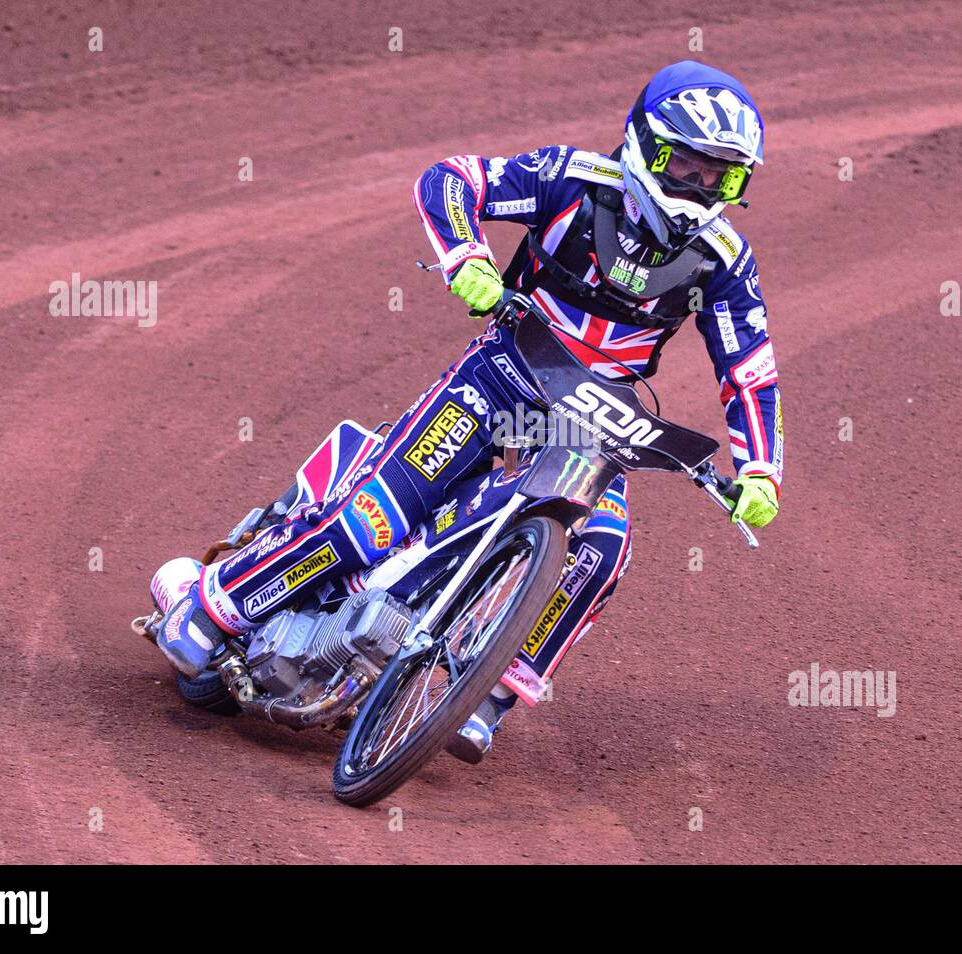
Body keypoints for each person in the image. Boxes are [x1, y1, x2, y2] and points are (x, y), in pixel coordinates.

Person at [155, 60, 784, 763]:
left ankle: (486, 697)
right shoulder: (571, 180)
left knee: (603, 551)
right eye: (686, 166)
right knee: (374, 520)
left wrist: (761, 470)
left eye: (722, 177)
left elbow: (749, 371)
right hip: (502, 375)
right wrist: (465, 256)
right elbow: (451, 179)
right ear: (644, 144)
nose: (700, 188)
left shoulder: (725, 260)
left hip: (593, 421)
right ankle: (213, 606)